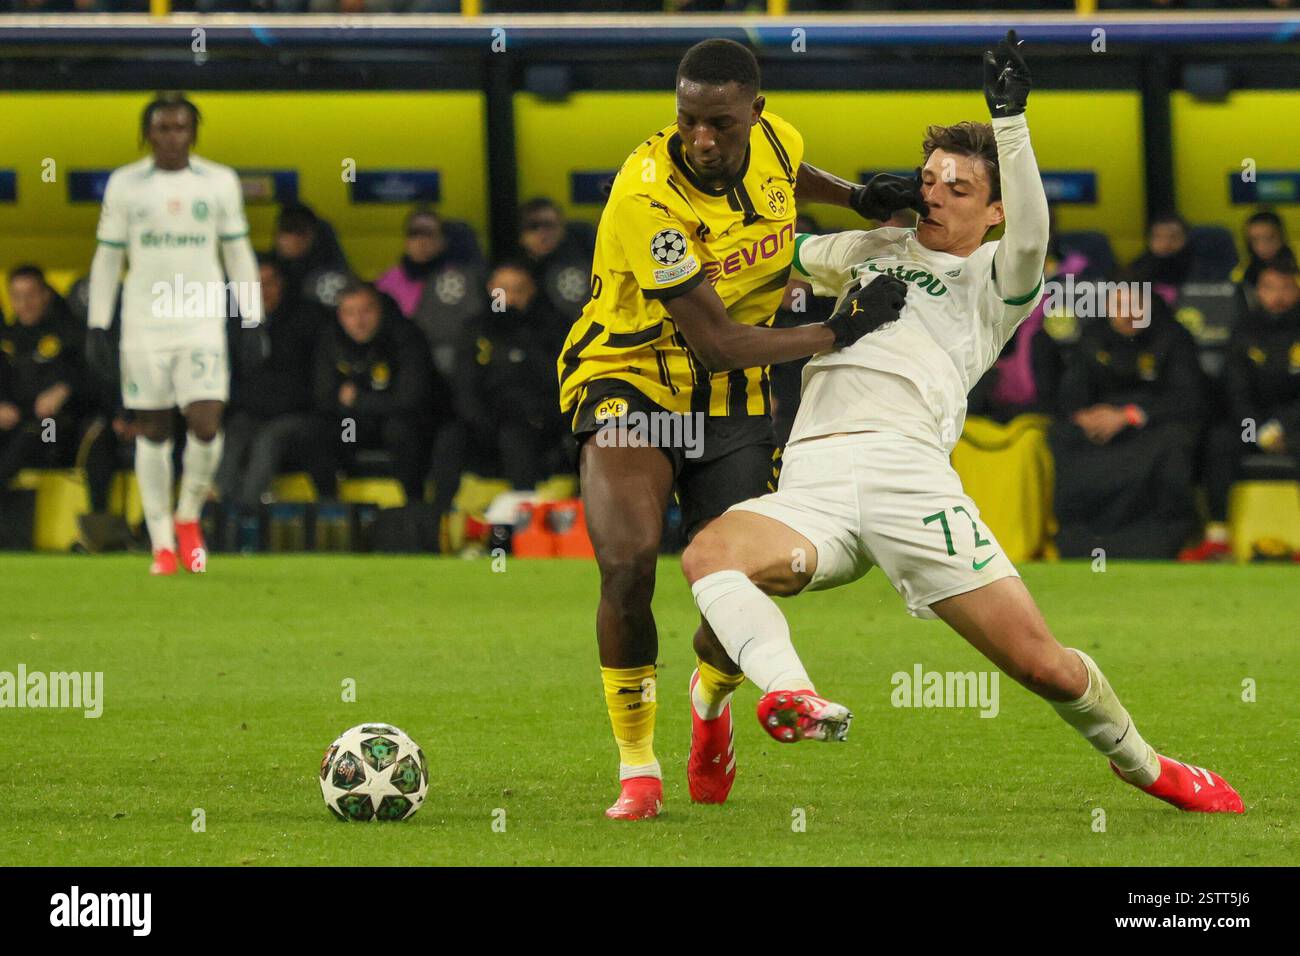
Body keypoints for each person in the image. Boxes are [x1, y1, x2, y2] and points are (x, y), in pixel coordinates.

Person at [679, 33, 1242, 816]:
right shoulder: (870, 247)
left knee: (1044, 667)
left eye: (959, 186)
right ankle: (755, 703)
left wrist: (1010, 124)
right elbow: (757, 250)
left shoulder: (994, 279)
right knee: (711, 559)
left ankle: (1148, 766)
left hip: (910, 478)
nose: (935, 193)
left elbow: (1036, 237)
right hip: (811, 477)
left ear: (995, 208)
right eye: (930, 178)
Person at [558, 37, 923, 820]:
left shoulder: (774, 137)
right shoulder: (645, 200)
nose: (703, 140)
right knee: (626, 566)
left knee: (736, 579)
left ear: (752, 113)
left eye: (721, 124)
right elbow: (716, 344)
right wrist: (837, 330)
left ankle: (712, 704)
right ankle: (636, 769)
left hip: (736, 401)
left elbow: (788, 170)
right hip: (634, 378)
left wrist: (858, 196)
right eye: (689, 121)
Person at [84, 92, 265, 575]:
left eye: (180, 127)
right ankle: (162, 541)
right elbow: (107, 258)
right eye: (161, 128)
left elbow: (238, 254)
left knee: (206, 421)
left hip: (201, 316)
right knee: (154, 429)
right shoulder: (126, 184)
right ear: (148, 134)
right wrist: (99, 322)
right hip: (145, 322)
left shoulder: (219, 182)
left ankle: (188, 516)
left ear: (194, 133)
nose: (171, 136)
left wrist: (251, 316)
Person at [1052, 287, 1204, 558]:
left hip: (1154, 425)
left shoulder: (1173, 337)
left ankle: (1159, 540)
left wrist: (1129, 416)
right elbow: (1071, 393)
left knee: (1175, 442)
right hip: (1101, 429)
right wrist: (1082, 415)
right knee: (1060, 435)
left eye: (1135, 305)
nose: (1128, 314)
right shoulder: (1094, 336)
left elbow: (1189, 399)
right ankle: (1077, 536)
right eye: (1119, 306)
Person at [1182, 258, 1300, 561]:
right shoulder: (1245, 329)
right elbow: (1236, 390)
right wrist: (1259, 428)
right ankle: (1218, 536)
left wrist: (1283, 427)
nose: (1278, 295)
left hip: (1294, 424)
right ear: (1258, 290)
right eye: (1270, 287)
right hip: (1252, 424)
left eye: (1286, 288)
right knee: (1219, 441)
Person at [216, 256, 334, 521]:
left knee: (268, 440)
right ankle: (220, 518)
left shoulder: (309, 320)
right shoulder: (238, 324)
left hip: (301, 416)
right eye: (255, 284)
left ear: (284, 284)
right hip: (253, 413)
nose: (263, 291)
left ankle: (247, 517)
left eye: (270, 283)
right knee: (232, 436)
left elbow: (321, 381)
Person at [312, 281, 451, 505]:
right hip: (356, 425)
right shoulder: (331, 340)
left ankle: (414, 504)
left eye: (366, 310)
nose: (358, 321)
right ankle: (333, 506)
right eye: (349, 313)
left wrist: (357, 399)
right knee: (324, 431)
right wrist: (360, 405)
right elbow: (324, 398)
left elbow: (410, 399)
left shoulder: (406, 336)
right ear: (340, 315)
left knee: (400, 428)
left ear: (380, 310)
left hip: (405, 423)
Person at [454, 262, 567, 489]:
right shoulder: (475, 329)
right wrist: (483, 422)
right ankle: (436, 515)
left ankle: (525, 511)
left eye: (519, 289)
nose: (511, 297)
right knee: (450, 436)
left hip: (535, 420)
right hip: (485, 422)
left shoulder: (553, 328)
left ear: (532, 290)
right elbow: (465, 387)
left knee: (514, 433)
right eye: (503, 289)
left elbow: (558, 382)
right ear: (490, 289)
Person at [375, 207, 487, 380]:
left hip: (450, 362)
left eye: (429, 233)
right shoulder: (387, 281)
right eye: (414, 233)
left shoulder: (461, 280)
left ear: (442, 241)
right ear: (406, 240)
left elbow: (472, 325)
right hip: (402, 360)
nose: (421, 241)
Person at [0, 267, 87, 488]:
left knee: (36, 433)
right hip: (17, 423)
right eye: (17, 297)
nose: (24, 303)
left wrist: (63, 389)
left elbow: (92, 376)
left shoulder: (69, 334)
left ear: (45, 295)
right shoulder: (8, 339)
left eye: (30, 295)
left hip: (54, 429)